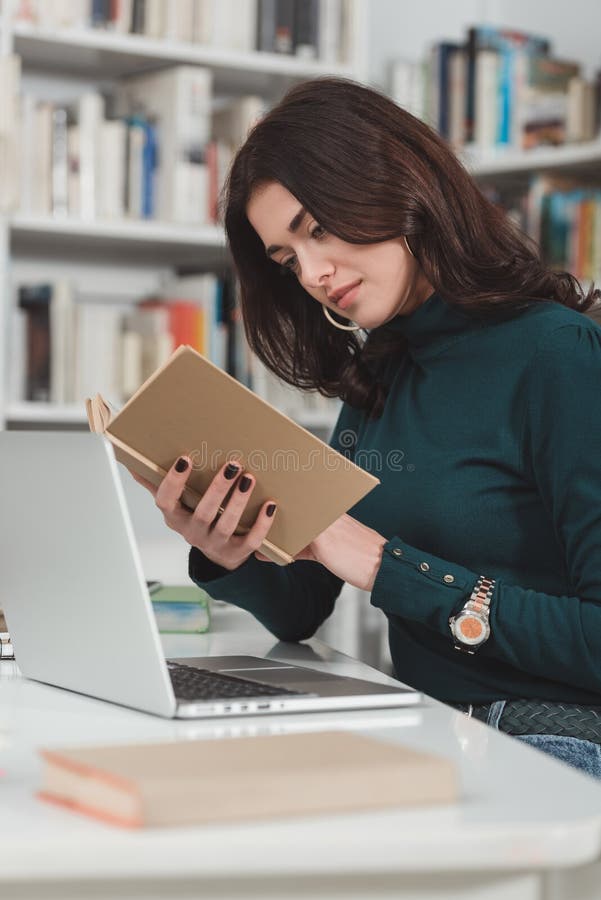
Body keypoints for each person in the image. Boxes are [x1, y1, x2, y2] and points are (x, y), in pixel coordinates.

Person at [132, 77, 601, 776]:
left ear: (396, 184)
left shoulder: (555, 355)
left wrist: (387, 567)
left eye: (316, 229)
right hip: (420, 718)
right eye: (287, 260)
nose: (314, 274)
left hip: (547, 733)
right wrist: (225, 551)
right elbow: (300, 610)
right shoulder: (381, 369)